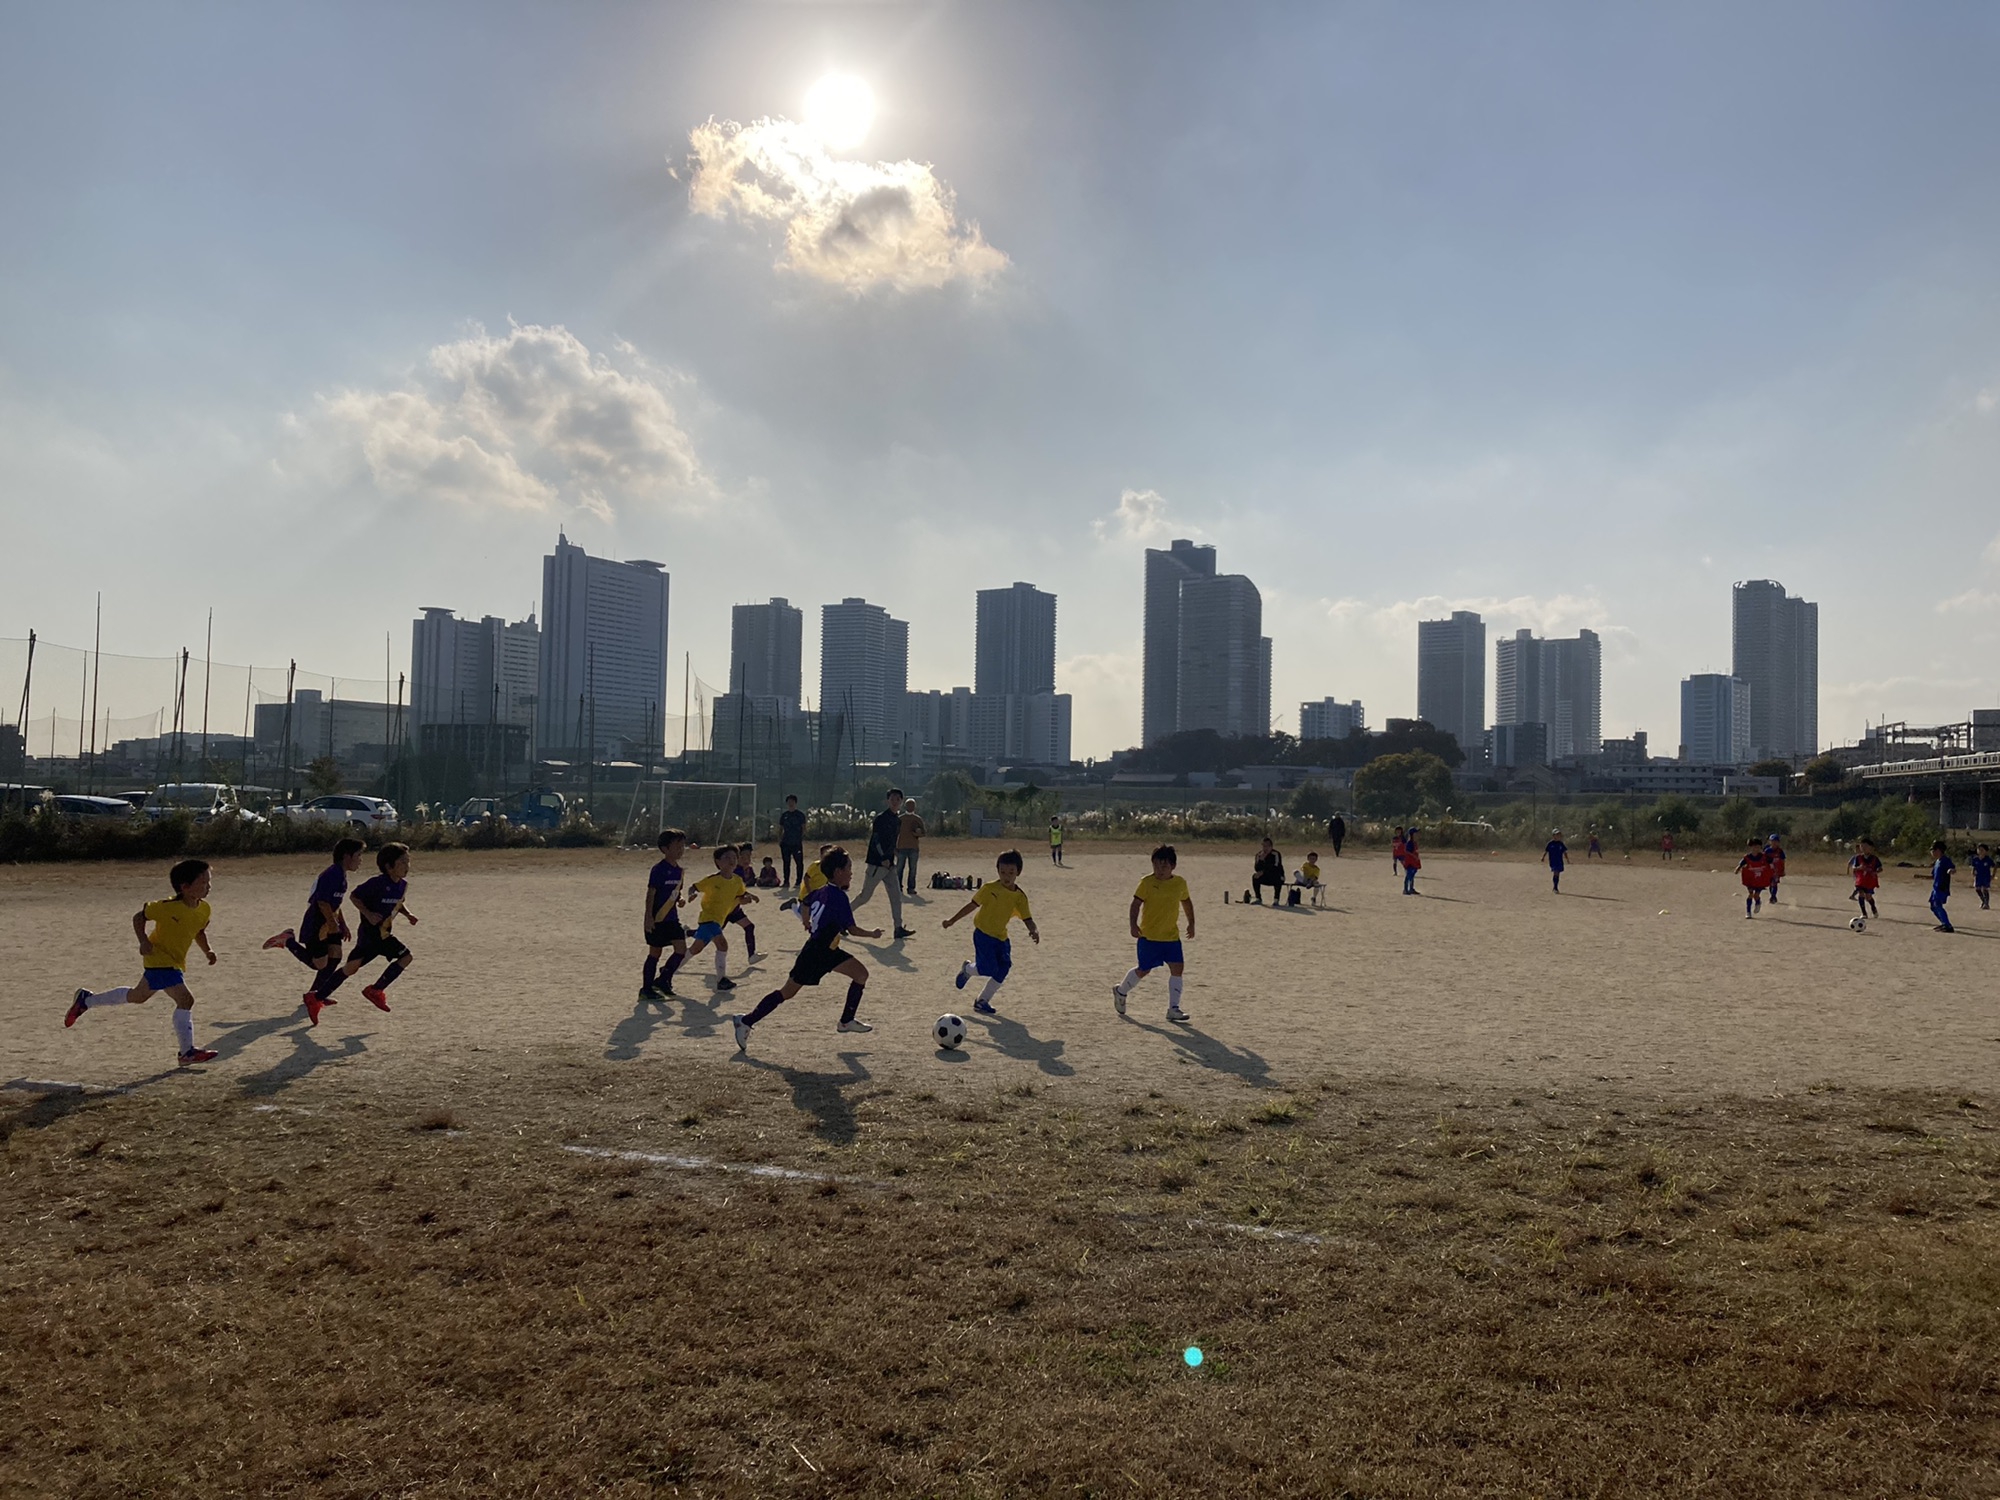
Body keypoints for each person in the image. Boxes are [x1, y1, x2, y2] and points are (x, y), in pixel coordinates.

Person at [65, 858, 220, 1067]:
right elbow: (139, 917)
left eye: (209, 882)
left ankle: (86, 1000)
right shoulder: (166, 907)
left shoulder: (204, 909)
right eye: (203, 883)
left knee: (138, 996)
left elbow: (199, 931)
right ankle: (187, 1053)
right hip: (159, 958)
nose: (208, 887)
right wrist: (143, 941)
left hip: (175, 961)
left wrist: (207, 950)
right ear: (185, 887)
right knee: (185, 1000)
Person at [730, 848, 880, 1050]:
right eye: (849, 869)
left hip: (827, 951)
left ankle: (846, 1021)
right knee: (787, 992)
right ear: (838, 872)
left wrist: (807, 921)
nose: (852, 873)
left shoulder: (821, 890)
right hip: (815, 954)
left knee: (861, 974)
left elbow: (806, 902)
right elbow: (852, 930)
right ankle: (745, 1021)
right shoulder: (839, 897)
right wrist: (872, 934)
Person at [264, 836, 362, 1015]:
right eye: (358, 855)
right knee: (319, 963)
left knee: (335, 957)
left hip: (330, 923)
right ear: (347, 856)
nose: (360, 860)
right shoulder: (332, 874)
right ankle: (288, 940)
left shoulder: (341, 875)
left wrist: (343, 924)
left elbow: (335, 904)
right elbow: (322, 902)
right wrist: (332, 924)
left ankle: (316, 995)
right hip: (317, 923)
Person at [944, 849, 1039, 1015]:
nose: (1006, 876)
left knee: (1004, 967)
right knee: (988, 968)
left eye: (1011, 872)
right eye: (1003, 872)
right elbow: (972, 905)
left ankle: (982, 1001)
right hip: (983, 934)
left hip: (1001, 938)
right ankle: (968, 970)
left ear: (1018, 872)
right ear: (997, 870)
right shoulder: (989, 888)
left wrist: (1034, 930)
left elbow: (1027, 918)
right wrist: (952, 920)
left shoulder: (1020, 897)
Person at [330, 842, 418, 1019]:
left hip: (383, 935)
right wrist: (368, 914)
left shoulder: (402, 885)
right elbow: (354, 896)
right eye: (402, 862)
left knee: (352, 968)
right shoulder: (377, 883)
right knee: (352, 968)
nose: (407, 866)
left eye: (408, 861)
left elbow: (397, 902)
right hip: (370, 936)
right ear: (389, 866)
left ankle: (318, 995)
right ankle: (374, 990)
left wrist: (408, 914)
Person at [1111, 845, 1196, 1023]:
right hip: (1149, 936)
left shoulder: (1179, 883)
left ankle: (1173, 1008)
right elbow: (1135, 905)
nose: (1159, 870)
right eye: (1156, 865)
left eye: (1164, 866)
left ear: (1173, 866)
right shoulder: (1147, 882)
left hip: (1171, 937)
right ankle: (1121, 991)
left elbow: (1186, 902)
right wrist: (1133, 925)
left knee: (1178, 968)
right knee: (1143, 970)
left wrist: (1191, 923)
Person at [686, 845, 757, 990]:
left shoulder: (737, 880)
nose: (731, 860)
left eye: (734, 857)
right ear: (717, 862)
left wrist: (747, 899)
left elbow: (741, 896)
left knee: (695, 949)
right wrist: (691, 894)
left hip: (721, 918)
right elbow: (694, 887)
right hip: (708, 918)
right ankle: (721, 980)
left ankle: (668, 970)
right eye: (727, 857)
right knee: (722, 944)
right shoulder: (713, 880)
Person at [852, 788, 914, 938]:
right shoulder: (881, 818)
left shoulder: (897, 820)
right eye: (892, 799)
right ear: (887, 801)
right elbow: (876, 840)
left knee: (896, 896)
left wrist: (894, 853)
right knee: (865, 896)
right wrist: (882, 858)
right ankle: (841, 919)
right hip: (877, 864)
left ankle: (898, 928)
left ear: (901, 802)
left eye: (898, 799)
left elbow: (892, 841)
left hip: (889, 865)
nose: (895, 802)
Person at [640, 827, 689, 1001]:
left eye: (682, 846)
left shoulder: (680, 871)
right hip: (658, 918)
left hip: (672, 918)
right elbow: (651, 893)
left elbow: (676, 892)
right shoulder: (658, 869)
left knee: (681, 950)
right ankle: (646, 989)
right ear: (665, 849)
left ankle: (663, 980)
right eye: (677, 846)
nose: (681, 850)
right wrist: (648, 917)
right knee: (655, 953)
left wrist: (680, 899)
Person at [725, 844, 759, 960]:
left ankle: (752, 955)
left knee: (749, 926)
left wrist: (751, 895)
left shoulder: (741, 871)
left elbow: (740, 890)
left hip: (734, 909)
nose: (746, 859)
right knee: (708, 935)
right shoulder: (736, 872)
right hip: (724, 910)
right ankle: (687, 933)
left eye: (749, 856)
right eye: (743, 857)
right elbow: (732, 893)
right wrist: (743, 899)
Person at [777, 794, 808, 887]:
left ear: (795, 803)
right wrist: (780, 839)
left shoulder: (800, 815)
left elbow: (804, 828)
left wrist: (799, 838)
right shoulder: (784, 815)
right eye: (789, 802)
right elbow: (780, 828)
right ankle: (786, 881)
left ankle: (798, 881)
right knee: (786, 863)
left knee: (799, 862)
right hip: (786, 842)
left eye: (792, 802)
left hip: (796, 843)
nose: (791, 804)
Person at [896, 798, 925, 895]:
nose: (911, 807)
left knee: (913, 870)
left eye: (912, 805)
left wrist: (916, 834)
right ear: (905, 806)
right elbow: (894, 834)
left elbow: (923, 833)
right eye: (909, 805)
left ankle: (911, 888)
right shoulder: (900, 819)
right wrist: (894, 847)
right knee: (899, 869)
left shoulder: (918, 819)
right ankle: (898, 887)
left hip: (913, 848)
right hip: (901, 847)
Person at [1849, 838, 1882, 920]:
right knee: (1861, 893)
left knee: (1868, 897)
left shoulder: (1874, 858)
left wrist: (1875, 872)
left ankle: (1873, 908)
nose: (1863, 848)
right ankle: (1864, 913)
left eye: (1865, 846)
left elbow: (1880, 868)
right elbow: (1854, 867)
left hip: (1870, 880)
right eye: (1862, 846)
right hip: (1861, 879)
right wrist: (1859, 868)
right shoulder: (1858, 858)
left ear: (1871, 847)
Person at [1735, 839, 1769, 918]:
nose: (1756, 849)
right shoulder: (1747, 857)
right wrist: (1737, 868)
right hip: (1750, 879)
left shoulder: (1763, 857)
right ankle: (1748, 912)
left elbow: (1770, 864)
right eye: (1754, 847)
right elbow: (1741, 864)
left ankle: (1758, 902)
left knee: (1756, 895)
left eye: (1758, 847)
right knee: (1750, 894)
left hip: (1759, 879)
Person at [1929, 841, 1956, 933]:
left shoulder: (1945, 860)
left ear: (1939, 850)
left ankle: (1948, 925)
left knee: (1937, 905)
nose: (1932, 852)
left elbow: (1952, 868)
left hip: (1942, 887)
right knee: (1932, 906)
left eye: (1933, 850)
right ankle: (1944, 923)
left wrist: (1951, 870)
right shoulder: (1937, 862)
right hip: (1935, 888)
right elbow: (1933, 875)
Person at [1252, 837, 1284, 905]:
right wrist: (1261, 860)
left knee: (1278, 878)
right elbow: (1257, 868)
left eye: (1267, 846)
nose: (1265, 848)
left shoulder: (1276, 854)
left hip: (1276, 875)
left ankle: (1276, 900)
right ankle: (1258, 898)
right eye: (1264, 846)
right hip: (1265, 876)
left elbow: (1276, 868)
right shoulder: (1259, 855)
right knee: (1255, 876)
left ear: (1271, 846)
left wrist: (1263, 871)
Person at [1764, 834, 1787, 904]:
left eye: (1776, 841)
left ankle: (1773, 896)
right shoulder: (1767, 850)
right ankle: (1772, 895)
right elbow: (1763, 860)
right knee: (1770, 883)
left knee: (1774, 883)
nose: (1774, 843)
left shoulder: (1780, 851)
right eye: (1772, 841)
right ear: (1769, 842)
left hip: (1776, 870)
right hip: (1769, 870)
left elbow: (1782, 860)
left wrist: (1782, 870)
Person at [1543, 829, 1568, 894]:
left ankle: (1555, 886)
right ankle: (1555, 887)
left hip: (1559, 861)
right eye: (1557, 835)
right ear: (1553, 836)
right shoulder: (1550, 843)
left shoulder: (1561, 844)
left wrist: (1567, 859)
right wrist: (1543, 857)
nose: (1558, 836)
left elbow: (1564, 852)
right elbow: (1546, 851)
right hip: (1553, 861)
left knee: (1557, 873)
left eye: (1559, 835)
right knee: (1556, 872)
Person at [1971, 843, 1993, 912]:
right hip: (1978, 876)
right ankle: (1983, 901)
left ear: (1986, 851)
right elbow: (1973, 866)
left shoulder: (1988, 860)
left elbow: (1994, 866)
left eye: (1982, 850)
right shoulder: (1975, 859)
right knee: (1977, 889)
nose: (1980, 851)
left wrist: (1993, 875)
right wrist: (1973, 872)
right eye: (1979, 849)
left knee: (1985, 889)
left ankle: (1986, 903)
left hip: (1986, 876)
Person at [1400, 829, 1421, 895]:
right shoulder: (1410, 842)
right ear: (1412, 835)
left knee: (1412, 875)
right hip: (1410, 862)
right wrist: (1414, 856)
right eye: (1415, 833)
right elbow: (1407, 851)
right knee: (1408, 875)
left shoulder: (1414, 842)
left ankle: (1411, 888)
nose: (1417, 835)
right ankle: (1405, 889)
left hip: (1414, 861)